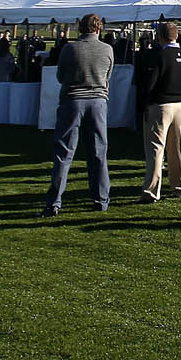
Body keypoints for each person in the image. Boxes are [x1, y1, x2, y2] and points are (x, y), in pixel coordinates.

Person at [41, 14, 115, 217]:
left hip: (73, 99)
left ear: (80, 28)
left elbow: (60, 75)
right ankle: (101, 199)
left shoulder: (70, 49)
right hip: (98, 101)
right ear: (98, 28)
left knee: (64, 153)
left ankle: (54, 202)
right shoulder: (107, 49)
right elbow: (108, 75)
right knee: (98, 152)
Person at [135, 22, 181, 204]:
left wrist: (145, 103)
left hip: (161, 105)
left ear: (160, 36)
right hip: (180, 104)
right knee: (179, 148)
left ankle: (151, 190)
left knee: (155, 148)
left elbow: (150, 84)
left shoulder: (159, 55)